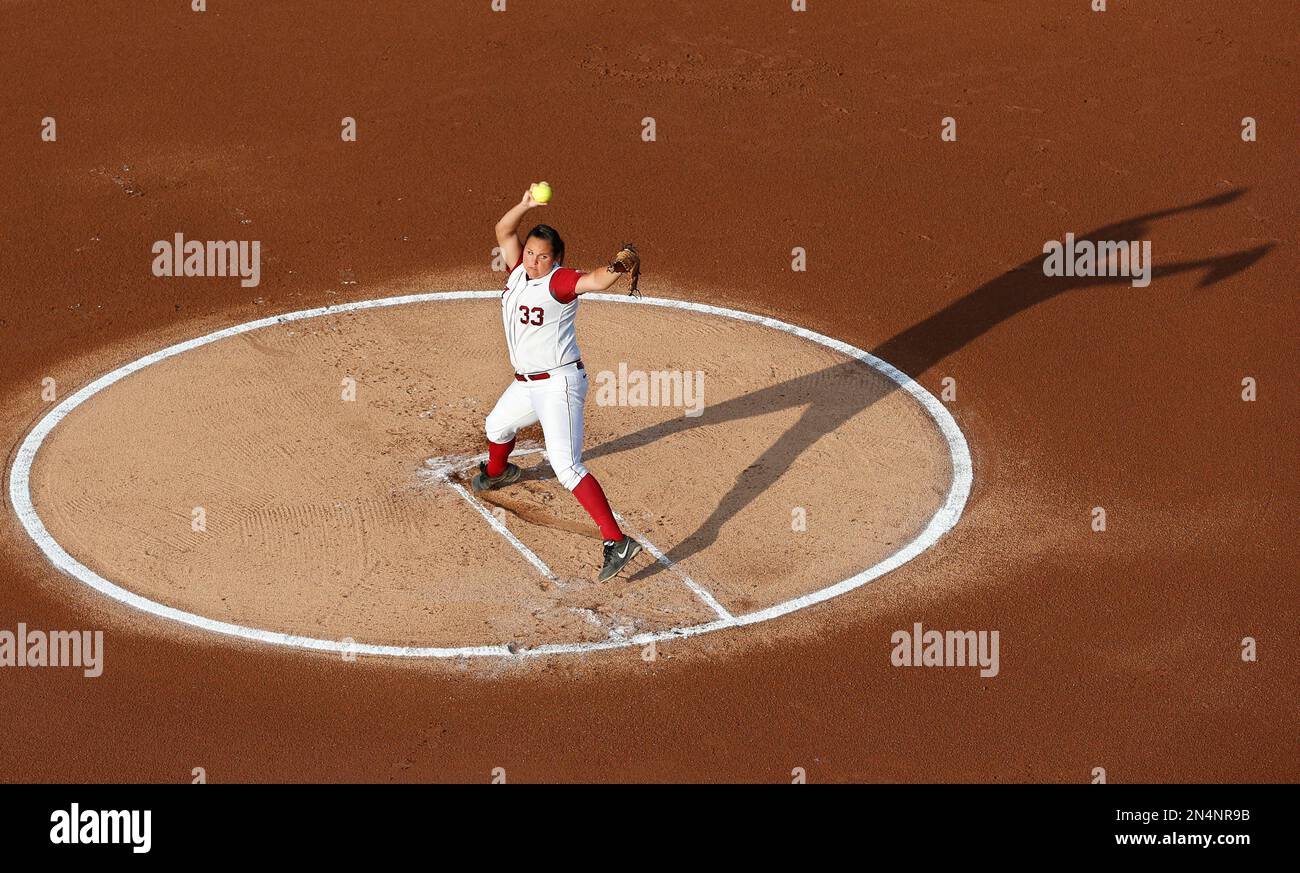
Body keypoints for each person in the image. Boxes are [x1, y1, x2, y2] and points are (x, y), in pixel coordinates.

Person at [474, 184, 643, 582]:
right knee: (496, 426)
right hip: (527, 384)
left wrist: (619, 267)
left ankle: (616, 540)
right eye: (530, 253)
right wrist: (525, 204)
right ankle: (499, 472)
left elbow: (596, 281)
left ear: (556, 260)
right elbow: (502, 230)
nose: (533, 260)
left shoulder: (559, 281)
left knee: (566, 466)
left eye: (542, 256)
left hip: (559, 385)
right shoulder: (517, 273)